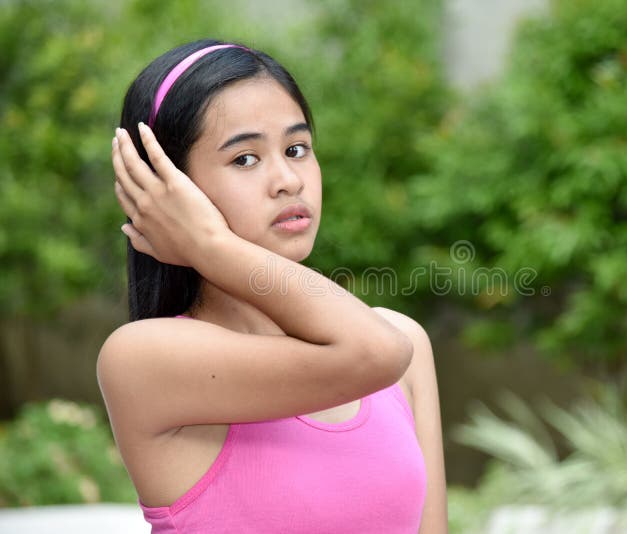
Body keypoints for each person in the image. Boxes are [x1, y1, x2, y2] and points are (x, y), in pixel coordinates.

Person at [97, 38, 447, 533]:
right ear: (166, 188)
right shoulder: (143, 358)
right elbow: (376, 354)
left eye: (297, 149)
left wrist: (211, 244)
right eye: (245, 158)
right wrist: (210, 245)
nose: (288, 179)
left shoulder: (407, 339)